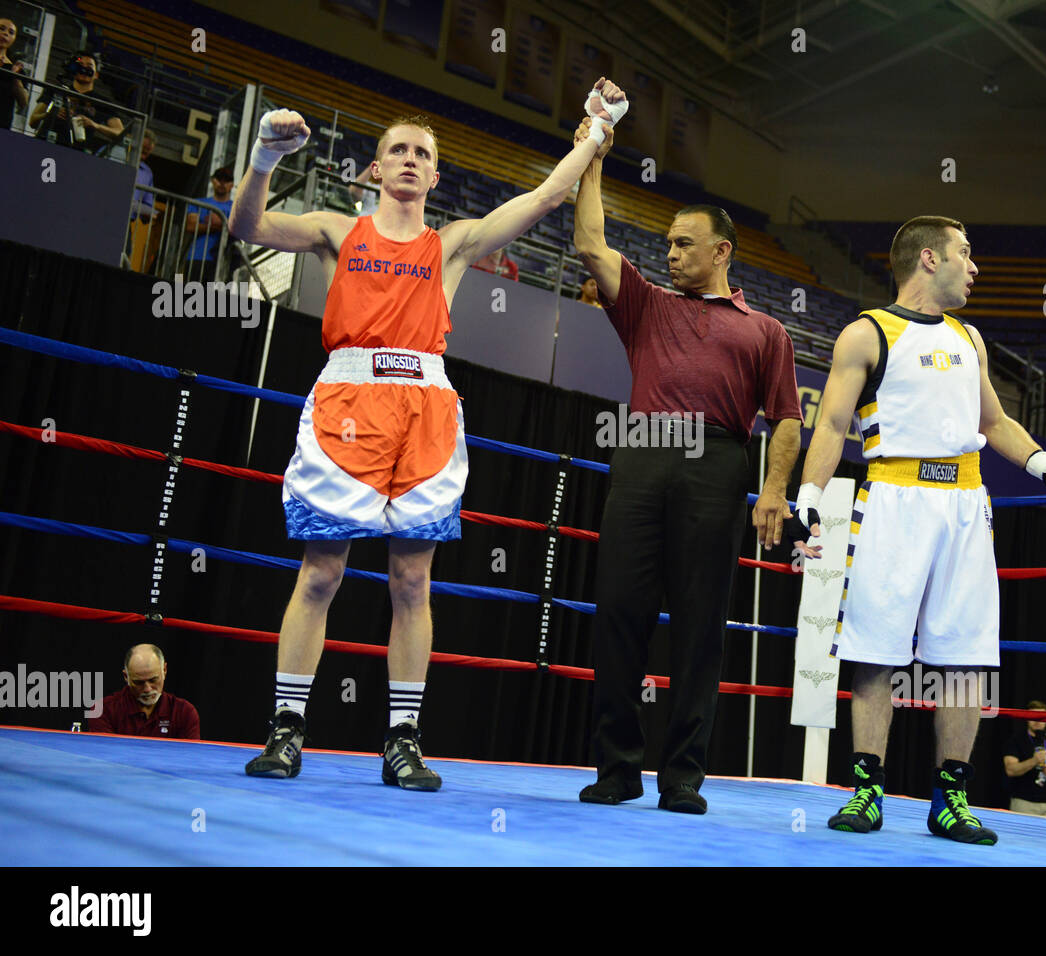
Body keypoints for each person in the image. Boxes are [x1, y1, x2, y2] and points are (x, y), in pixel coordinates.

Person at [230, 77, 627, 790]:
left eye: (423, 153)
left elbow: (541, 200)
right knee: (321, 572)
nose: (410, 159)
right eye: (398, 150)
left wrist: (596, 133)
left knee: (413, 580)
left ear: (436, 174)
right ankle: (287, 730)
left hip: (426, 406)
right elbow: (247, 228)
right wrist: (263, 159)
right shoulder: (334, 228)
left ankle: (403, 740)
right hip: (347, 401)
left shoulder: (453, 244)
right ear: (375, 168)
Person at [789, 216, 1046, 845]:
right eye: (965, 253)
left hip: (964, 504)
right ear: (929, 258)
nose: (975, 265)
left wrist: (1045, 469)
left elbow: (996, 420)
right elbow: (832, 423)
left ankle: (951, 799)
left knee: (964, 658)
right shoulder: (867, 332)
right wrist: (811, 495)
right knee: (875, 652)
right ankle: (865, 791)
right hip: (893, 501)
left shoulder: (969, 338)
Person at [572, 124, 803, 814]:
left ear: (721, 251)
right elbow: (589, 242)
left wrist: (772, 490)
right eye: (667, 243)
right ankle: (617, 769)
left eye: (682, 243)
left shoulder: (767, 331)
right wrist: (594, 160)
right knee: (618, 611)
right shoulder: (646, 304)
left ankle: (682, 778)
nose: (668, 253)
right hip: (643, 452)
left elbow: (787, 419)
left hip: (719, 462)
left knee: (702, 624)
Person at [87, 644, 200, 739]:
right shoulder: (103, 710)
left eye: (153, 680)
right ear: (126, 677)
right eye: (139, 682)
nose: (147, 689)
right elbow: (106, 760)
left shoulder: (184, 713)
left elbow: (189, 761)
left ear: (164, 670)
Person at [29, 51, 123, 153]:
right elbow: (33, 121)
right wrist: (50, 114)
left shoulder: (101, 102)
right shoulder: (56, 90)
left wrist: (95, 125)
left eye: (89, 66)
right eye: (80, 65)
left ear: (96, 75)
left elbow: (120, 133)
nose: (84, 69)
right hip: (44, 146)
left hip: (75, 155)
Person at [1002, 703, 1046, 818]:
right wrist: (1034, 760)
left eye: (1041, 717)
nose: (1038, 720)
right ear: (1027, 718)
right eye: (1034, 716)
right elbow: (1010, 770)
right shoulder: (1016, 741)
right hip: (1024, 803)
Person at [183, 166, 234, 282]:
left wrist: (217, 223)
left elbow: (241, 229)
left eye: (226, 180)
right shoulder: (199, 203)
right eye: (219, 179)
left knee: (214, 300)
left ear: (232, 185)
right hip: (197, 257)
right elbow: (190, 226)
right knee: (191, 297)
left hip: (223, 261)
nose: (222, 183)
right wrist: (221, 225)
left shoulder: (236, 208)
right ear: (212, 181)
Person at [0, 17, 29, 131]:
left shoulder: (16, 69)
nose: (5, 33)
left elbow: (23, 102)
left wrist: (16, 77)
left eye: (11, 32)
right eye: (1, 28)